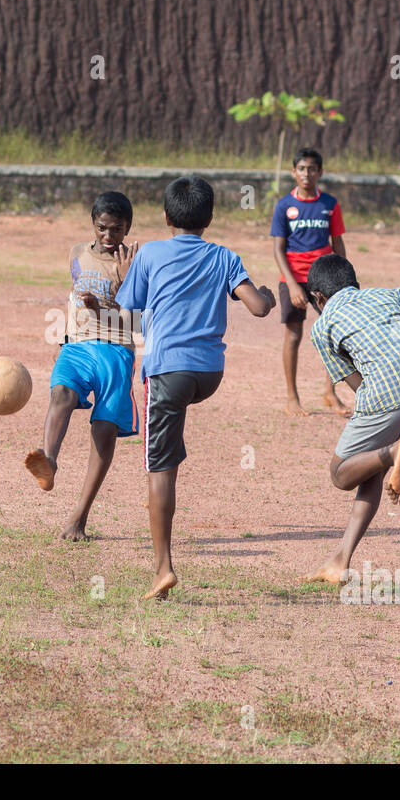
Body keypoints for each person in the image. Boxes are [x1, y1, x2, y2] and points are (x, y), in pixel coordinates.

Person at [112, 176, 275, 599]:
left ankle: (163, 568)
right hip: (208, 374)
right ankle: (167, 463)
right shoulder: (223, 256)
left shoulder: (149, 253)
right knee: (168, 442)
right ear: (211, 218)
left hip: (167, 371)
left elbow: (127, 304)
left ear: (166, 216)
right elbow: (257, 307)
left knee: (159, 467)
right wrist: (267, 297)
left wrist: (126, 273)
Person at [300, 253, 400, 583]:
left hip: (386, 396)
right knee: (371, 469)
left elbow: (356, 383)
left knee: (341, 474)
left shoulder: (322, 326)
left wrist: (384, 417)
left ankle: (394, 451)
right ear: (355, 284)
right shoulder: (391, 293)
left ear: (317, 298)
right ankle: (340, 561)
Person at [25, 191, 140, 542]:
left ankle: (80, 516)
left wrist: (121, 286)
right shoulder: (76, 253)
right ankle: (50, 460)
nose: (108, 236)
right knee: (61, 394)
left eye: (116, 230)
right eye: (102, 228)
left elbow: (135, 319)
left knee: (103, 430)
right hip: (76, 346)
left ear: (127, 228)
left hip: (116, 350)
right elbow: (73, 296)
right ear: (93, 224)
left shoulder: (137, 262)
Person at [271, 148, 352, 416]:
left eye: (312, 169)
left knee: (335, 334)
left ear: (320, 172)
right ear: (293, 172)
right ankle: (292, 397)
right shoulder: (284, 205)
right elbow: (278, 248)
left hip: (325, 277)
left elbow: (337, 242)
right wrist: (293, 286)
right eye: (302, 169)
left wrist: (345, 280)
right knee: (294, 334)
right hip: (293, 277)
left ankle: (330, 391)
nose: (307, 174)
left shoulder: (329, 204)